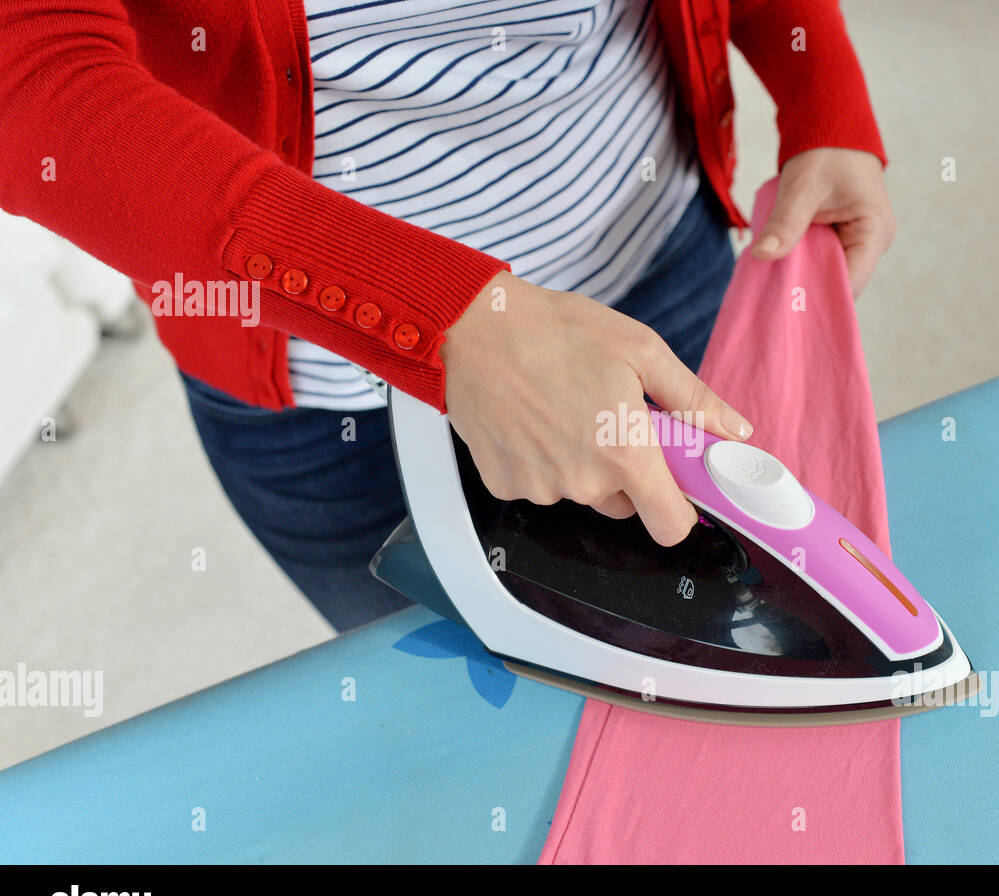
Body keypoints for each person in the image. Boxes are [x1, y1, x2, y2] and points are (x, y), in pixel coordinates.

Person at [0, 0, 895, 631]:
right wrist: (443, 321)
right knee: (478, 731)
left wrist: (821, 85)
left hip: (656, 264)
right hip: (334, 399)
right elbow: (31, 70)